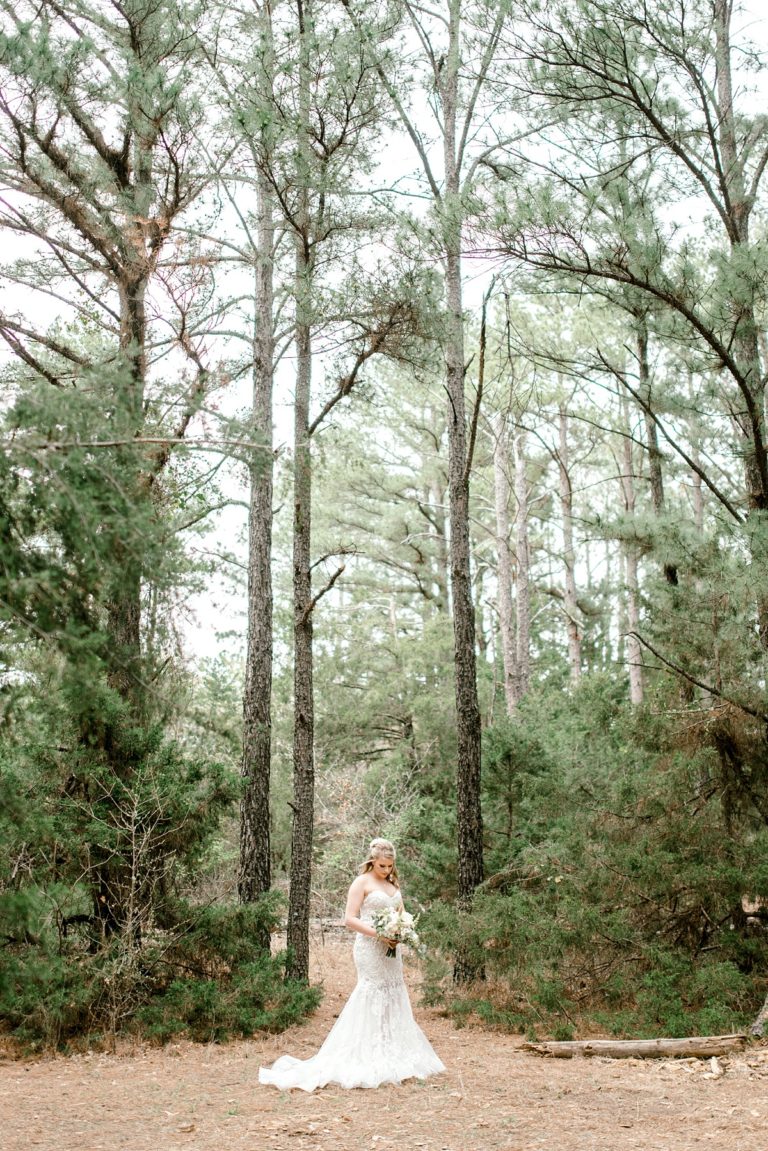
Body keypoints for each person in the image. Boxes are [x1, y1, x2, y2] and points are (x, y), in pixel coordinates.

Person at [258, 837, 446, 1091]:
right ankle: (366, 1053)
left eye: (390, 866)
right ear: (372, 862)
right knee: (372, 992)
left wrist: (400, 933)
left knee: (394, 990)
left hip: (391, 948)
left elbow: (400, 913)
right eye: (382, 866)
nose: (387, 870)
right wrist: (379, 934)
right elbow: (349, 919)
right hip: (370, 948)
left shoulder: (392, 882)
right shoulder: (361, 882)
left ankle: (392, 1052)